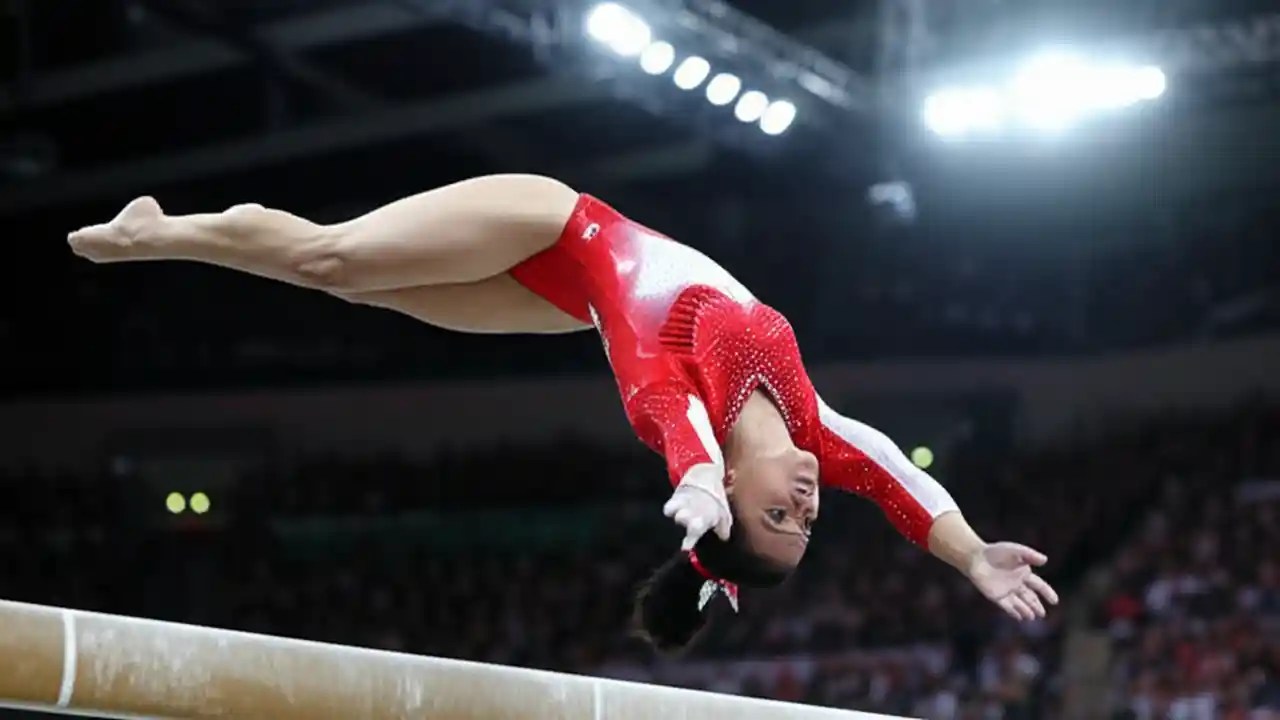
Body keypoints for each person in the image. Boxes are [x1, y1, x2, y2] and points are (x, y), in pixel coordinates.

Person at [67, 174, 1059, 651]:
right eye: (805, 518)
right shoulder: (812, 434)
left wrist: (700, 480)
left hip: (574, 287)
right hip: (558, 219)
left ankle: (174, 230)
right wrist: (972, 556)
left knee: (355, 289)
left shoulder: (665, 400)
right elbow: (897, 475)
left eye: (779, 519)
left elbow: (677, 429)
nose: (803, 500)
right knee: (339, 259)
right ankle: (171, 234)